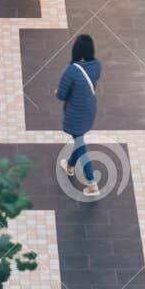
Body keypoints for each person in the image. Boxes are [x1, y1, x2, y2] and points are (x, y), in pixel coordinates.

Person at [56, 34, 102, 197]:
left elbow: (61, 95)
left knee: (81, 146)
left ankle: (92, 183)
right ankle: (70, 166)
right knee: (79, 140)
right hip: (89, 110)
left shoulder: (71, 71)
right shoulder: (97, 65)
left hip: (76, 115)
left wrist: (57, 92)